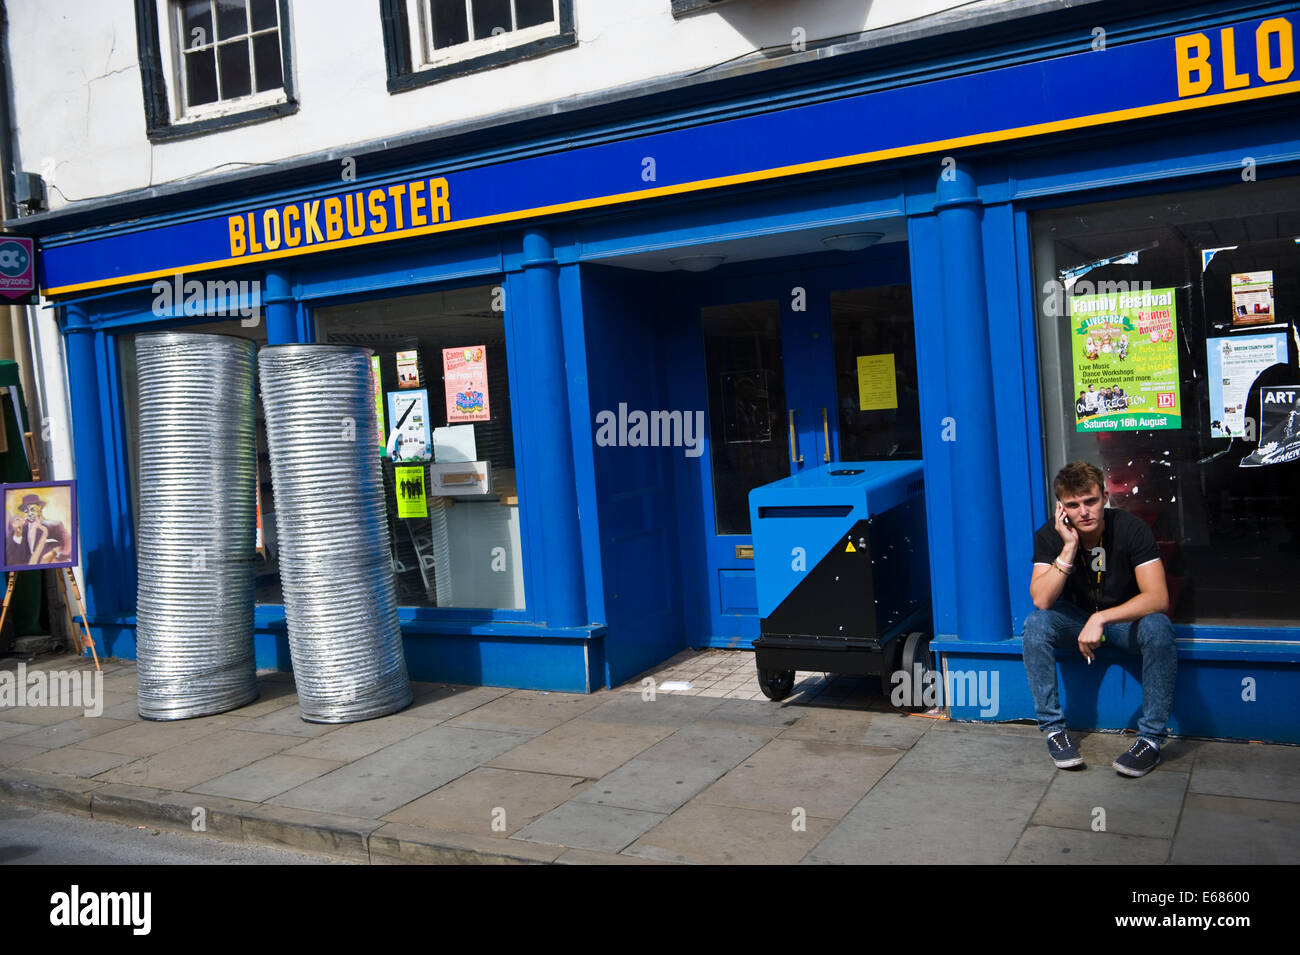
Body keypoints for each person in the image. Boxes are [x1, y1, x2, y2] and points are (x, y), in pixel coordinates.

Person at [1025, 461, 1175, 777]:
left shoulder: (1131, 529)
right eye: (1073, 505)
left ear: (1105, 496)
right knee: (1036, 624)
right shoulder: (1050, 537)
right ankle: (1054, 731)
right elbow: (1042, 600)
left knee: (1158, 626)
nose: (1084, 512)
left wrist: (1102, 618)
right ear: (1061, 508)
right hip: (1074, 621)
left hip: (1121, 622)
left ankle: (1149, 740)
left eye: (1090, 501)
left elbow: (1158, 598)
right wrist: (1068, 548)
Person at [6, 493, 71, 567]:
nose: (30, 513)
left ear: (40, 508)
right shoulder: (22, 529)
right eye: (26, 511)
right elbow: (12, 554)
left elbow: (69, 546)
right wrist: (18, 535)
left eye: (32, 509)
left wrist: (54, 553)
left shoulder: (54, 525)